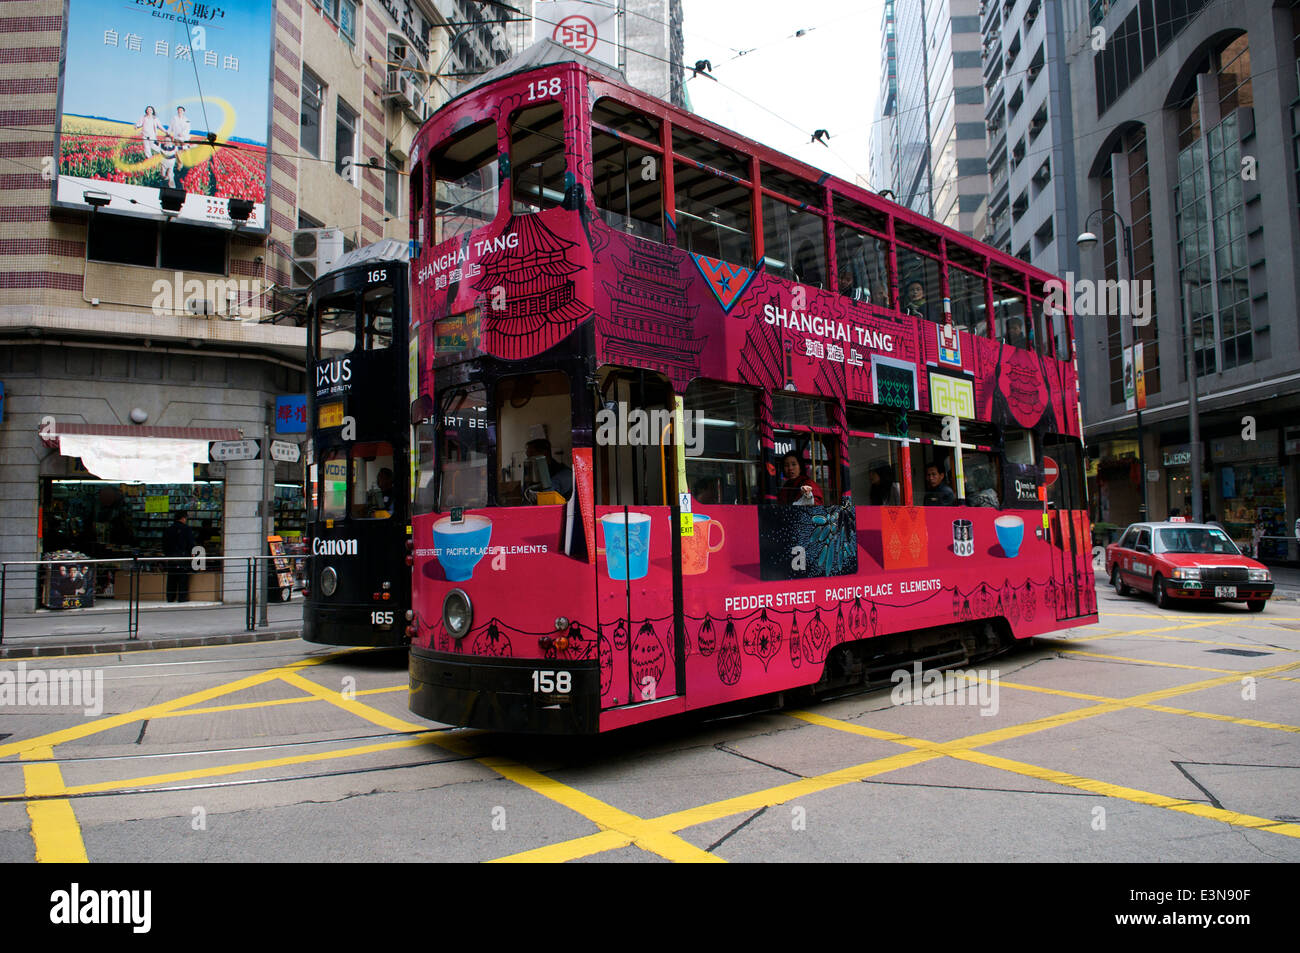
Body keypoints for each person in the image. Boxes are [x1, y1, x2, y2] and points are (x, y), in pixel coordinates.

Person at [162, 511, 196, 603]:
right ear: (183, 518)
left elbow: (164, 544)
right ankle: (182, 598)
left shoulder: (168, 529)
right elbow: (191, 544)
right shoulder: (186, 529)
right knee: (182, 578)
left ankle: (170, 597)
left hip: (171, 557)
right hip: (183, 557)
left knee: (171, 578)